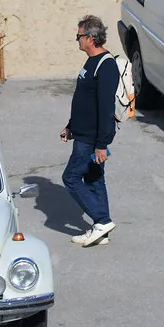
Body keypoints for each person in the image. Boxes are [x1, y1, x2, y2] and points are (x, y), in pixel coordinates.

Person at [61, 14, 119, 246]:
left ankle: (102, 221)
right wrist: (70, 126)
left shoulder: (106, 66)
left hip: (91, 139)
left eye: (79, 36)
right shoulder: (90, 61)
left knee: (71, 178)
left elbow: (106, 109)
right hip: (82, 133)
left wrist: (101, 145)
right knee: (94, 180)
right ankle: (101, 230)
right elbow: (83, 100)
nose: (77, 40)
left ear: (91, 38)